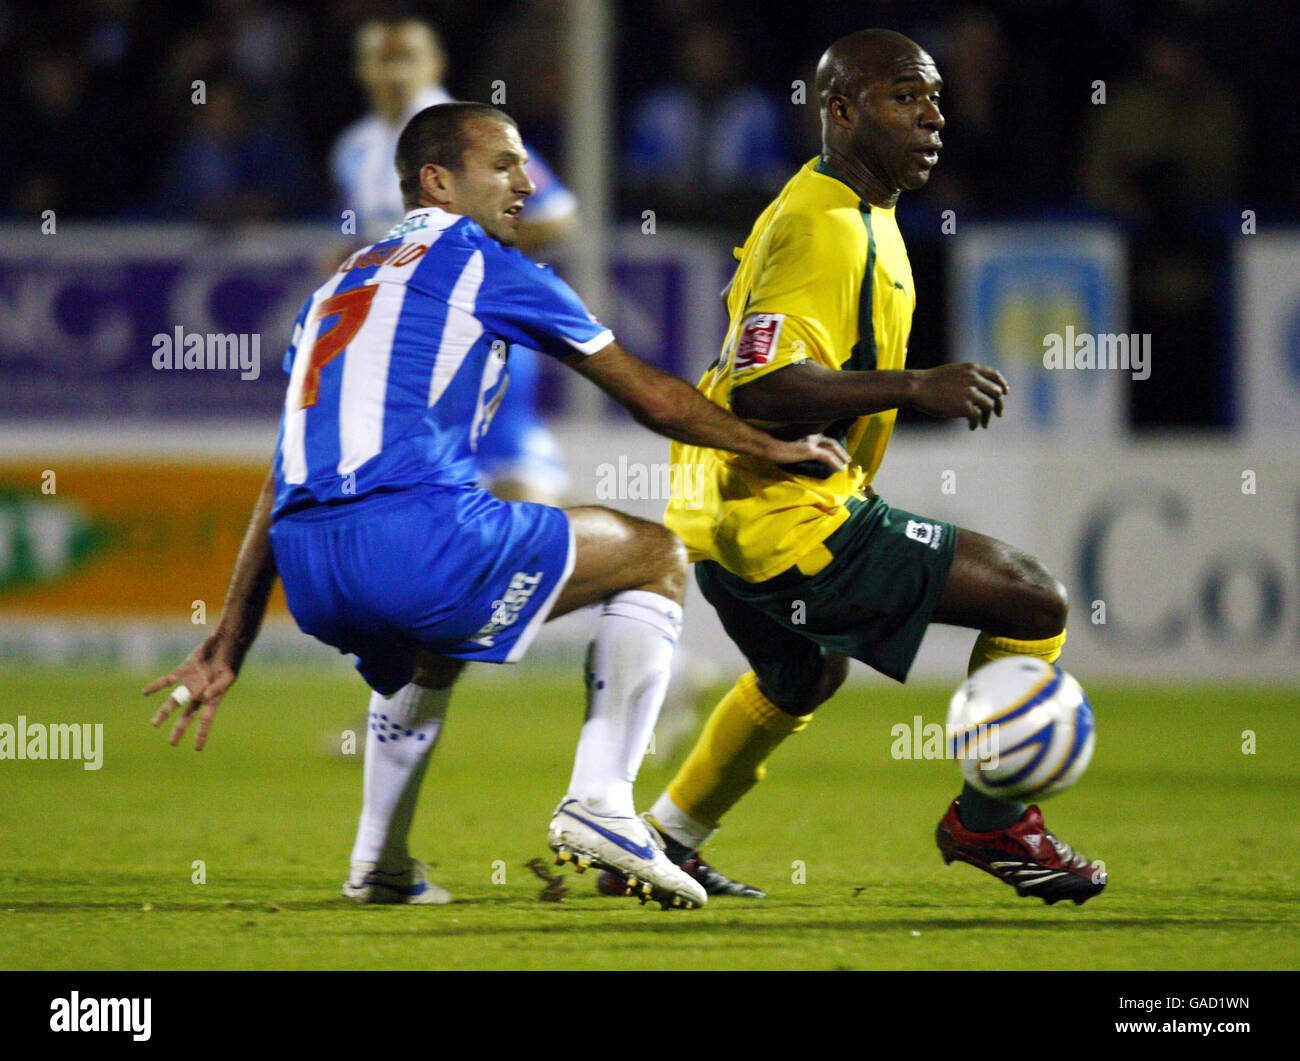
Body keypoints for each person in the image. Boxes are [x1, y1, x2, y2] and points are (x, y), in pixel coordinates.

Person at [143, 102, 847, 912]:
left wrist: (228, 643)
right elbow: (650, 396)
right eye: (504, 165)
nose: (526, 182)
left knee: (431, 650)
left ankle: (380, 863)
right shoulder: (486, 267)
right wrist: (770, 447)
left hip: (310, 569)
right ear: (439, 182)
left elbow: (281, 474)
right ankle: (603, 803)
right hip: (408, 539)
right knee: (654, 555)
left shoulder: (339, 283)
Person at [597, 29, 1107, 906]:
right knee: (1034, 599)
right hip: (783, 518)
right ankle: (990, 820)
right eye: (905, 97)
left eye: (935, 97)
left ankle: (661, 842)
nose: (934, 115)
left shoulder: (844, 208)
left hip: (719, 509)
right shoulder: (827, 227)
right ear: (840, 112)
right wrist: (917, 385)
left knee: (802, 674)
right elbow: (763, 389)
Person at [331, 16, 578, 503]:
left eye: (407, 58)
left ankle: (571, 564)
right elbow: (367, 236)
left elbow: (557, 215)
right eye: (383, 59)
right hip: (406, 340)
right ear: (362, 68)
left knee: (512, 477)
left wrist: (468, 261)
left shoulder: (466, 133)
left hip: (477, 326)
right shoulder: (355, 148)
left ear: (435, 64)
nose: (395, 73)